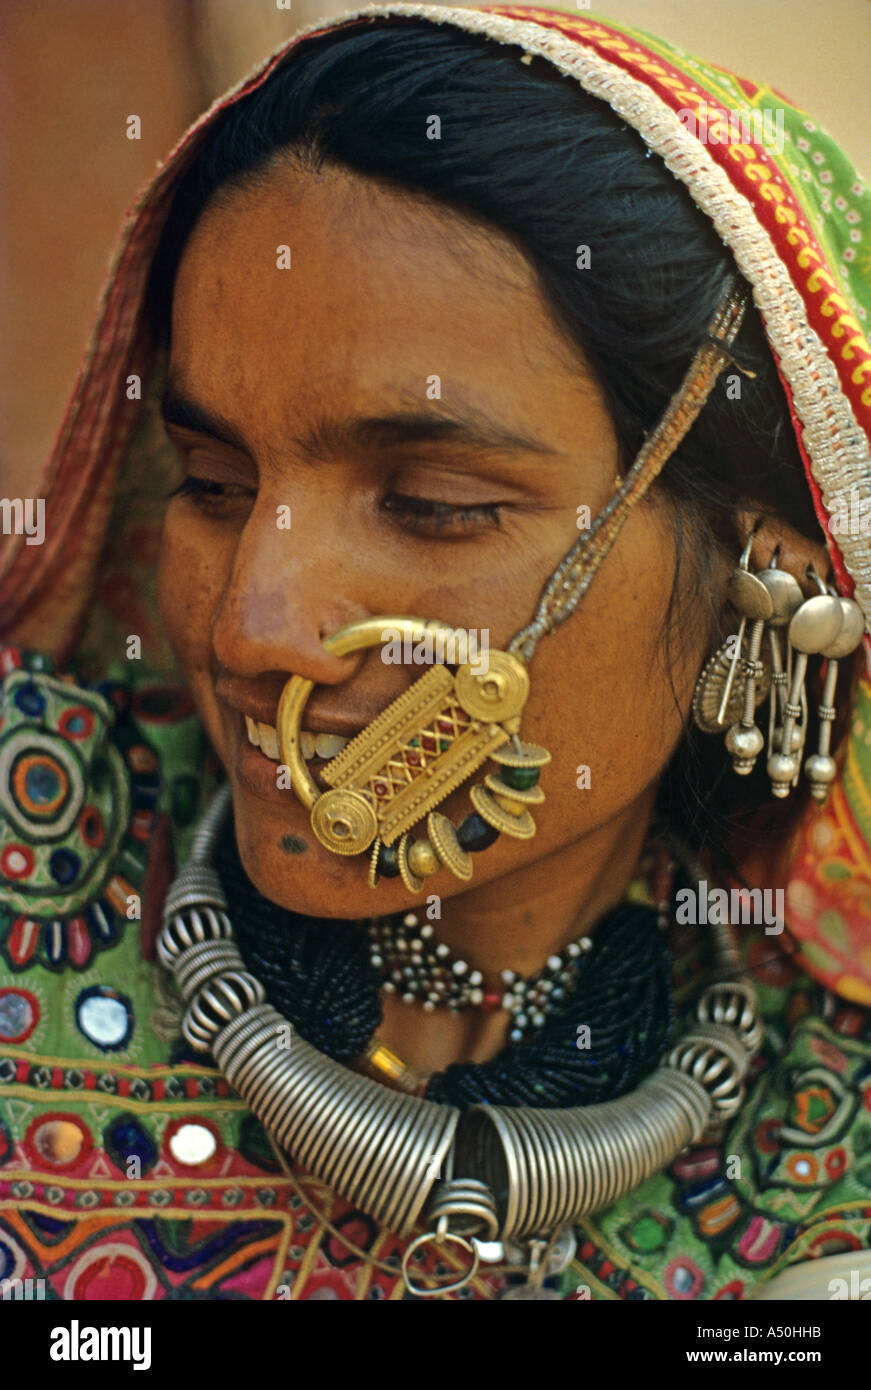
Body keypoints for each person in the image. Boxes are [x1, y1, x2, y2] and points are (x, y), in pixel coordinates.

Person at [0, 4, 869, 1302]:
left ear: (775, 576)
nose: (252, 628)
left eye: (437, 507)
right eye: (212, 479)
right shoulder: (31, 859)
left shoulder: (834, 1159)